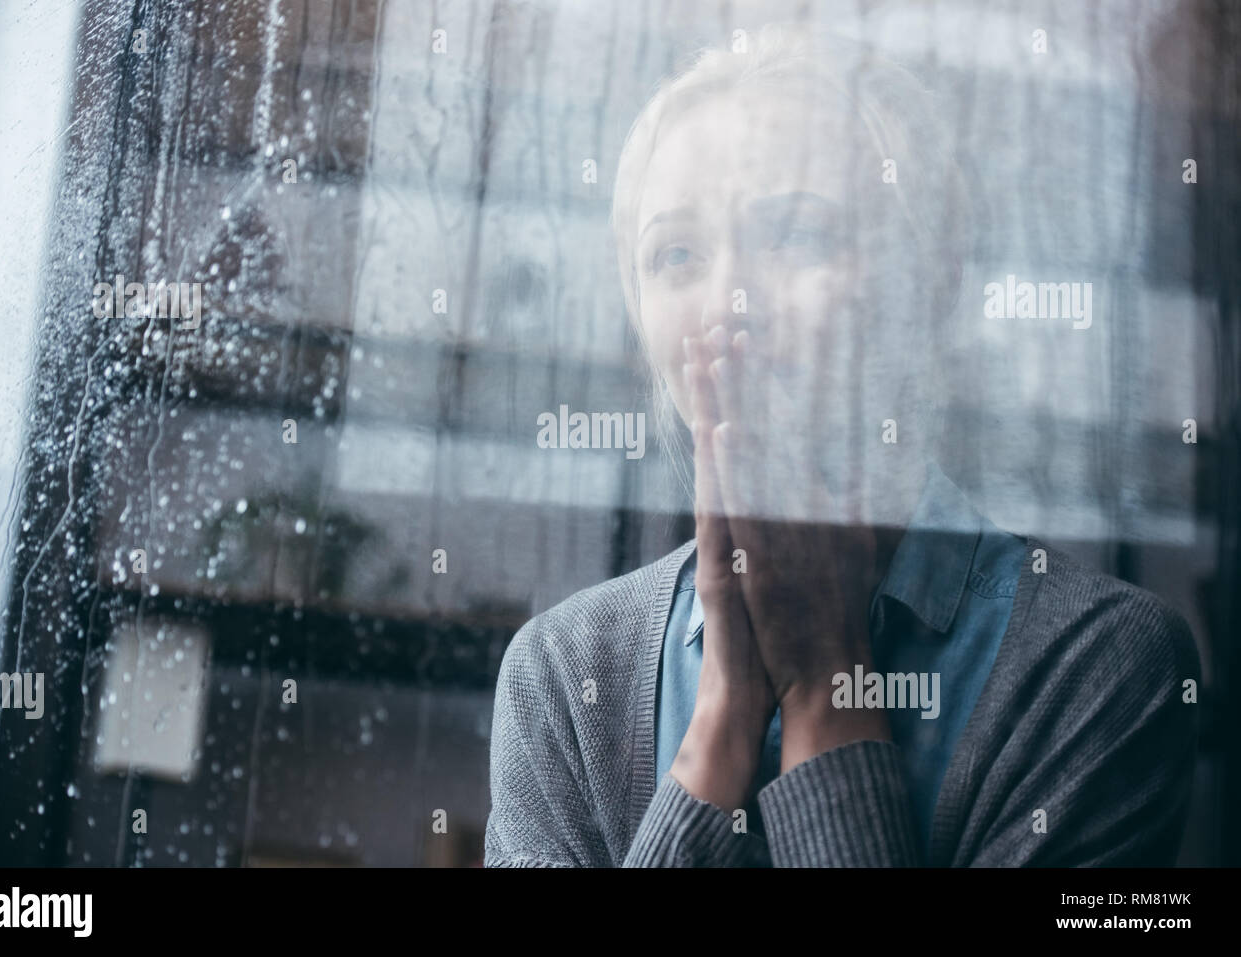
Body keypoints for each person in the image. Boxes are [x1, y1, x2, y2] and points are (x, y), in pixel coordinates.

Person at [484, 23, 1200, 867]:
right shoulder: (565, 675)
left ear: (934, 276)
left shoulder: (1097, 666)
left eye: (795, 234)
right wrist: (717, 733)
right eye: (675, 254)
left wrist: (829, 689)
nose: (729, 302)